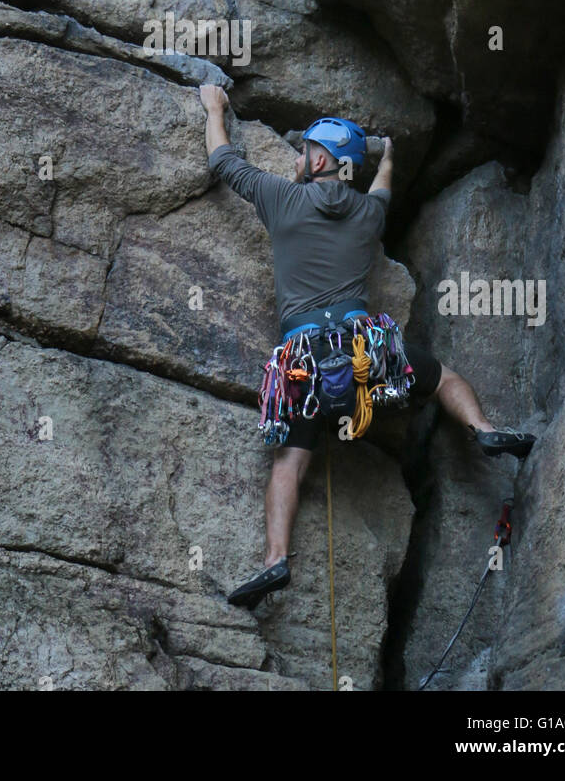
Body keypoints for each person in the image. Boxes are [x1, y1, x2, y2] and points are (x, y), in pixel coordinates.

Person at [199, 84, 535, 610]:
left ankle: (275, 559)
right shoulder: (367, 216)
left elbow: (222, 159)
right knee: (443, 376)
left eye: (307, 150)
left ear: (317, 158)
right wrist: (390, 157)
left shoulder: (280, 197)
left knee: (290, 459)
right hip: (365, 352)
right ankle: (485, 431)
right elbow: (382, 191)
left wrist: (215, 107)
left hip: (304, 361)